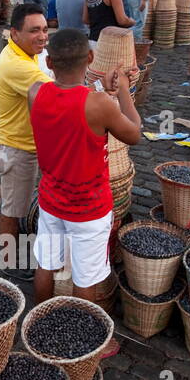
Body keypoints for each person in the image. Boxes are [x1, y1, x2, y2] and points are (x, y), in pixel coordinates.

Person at [28, 28, 142, 342]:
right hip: (89, 210)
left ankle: (40, 324)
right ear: (90, 58)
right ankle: (78, 339)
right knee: (84, 278)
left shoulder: (35, 93)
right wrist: (122, 93)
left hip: (51, 201)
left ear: (48, 61)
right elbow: (134, 132)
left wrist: (98, 89)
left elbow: (67, 99)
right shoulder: (100, 105)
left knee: (46, 264)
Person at [0, 4, 52, 275]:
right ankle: (7, 263)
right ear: (14, 33)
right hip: (17, 149)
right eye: (34, 31)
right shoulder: (17, 65)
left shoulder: (24, 53)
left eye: (45, 30)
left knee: (17, 203)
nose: (42, 36)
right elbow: (60, 95)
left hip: (23, 145)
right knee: (13, 210)